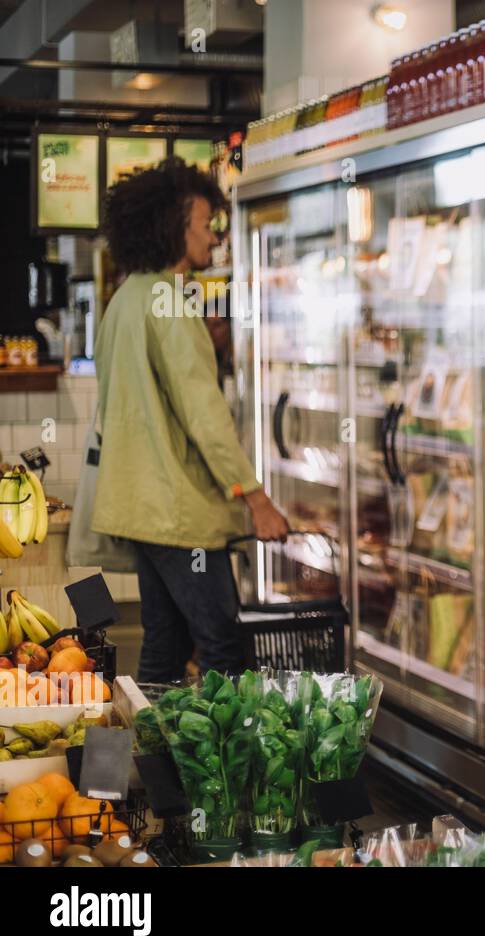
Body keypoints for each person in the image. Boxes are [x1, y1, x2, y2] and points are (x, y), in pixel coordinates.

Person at [97, 158, 289, 683]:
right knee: (222, 643)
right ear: (172, 228)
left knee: (165, 641)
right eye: (205, 226)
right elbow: (205, 416)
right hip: (179, 513)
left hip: (142, 507)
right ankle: (219, 764)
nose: (213, 238)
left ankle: (150, 759)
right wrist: (257, 497)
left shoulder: (126, 299)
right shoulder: (172, 304)